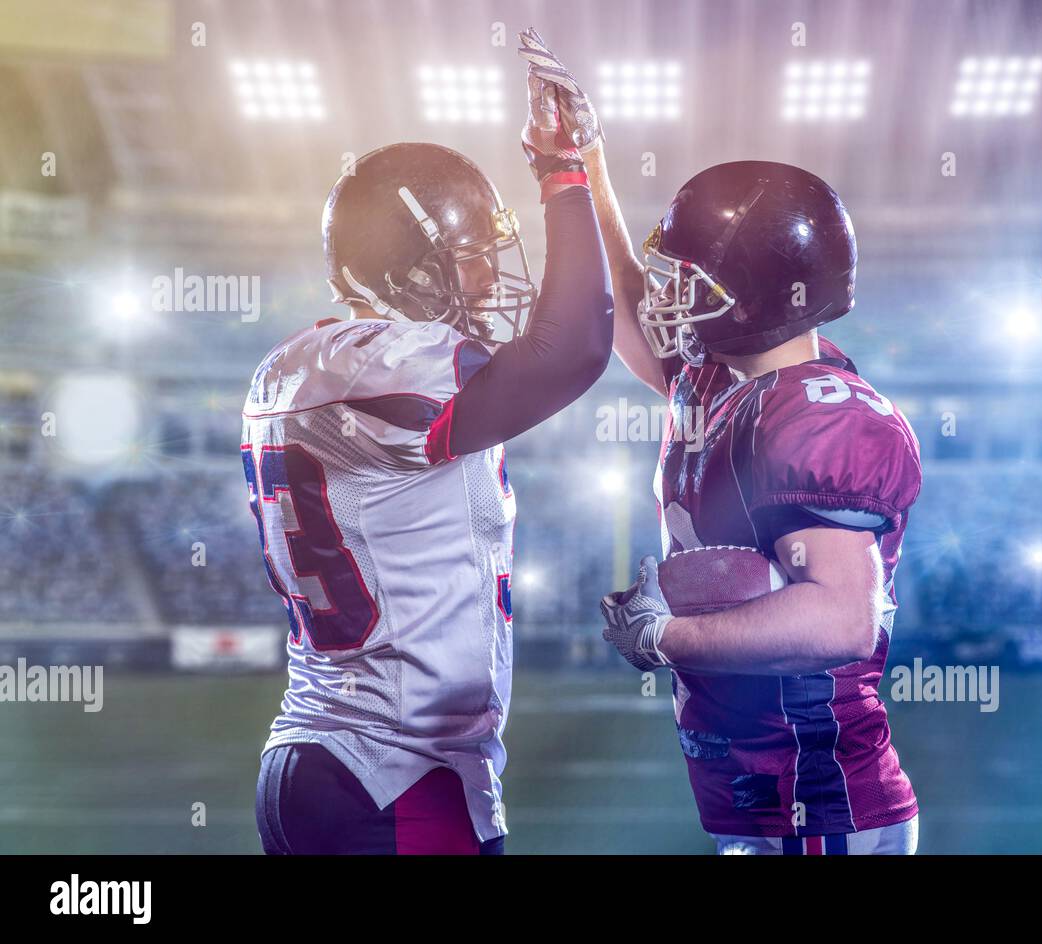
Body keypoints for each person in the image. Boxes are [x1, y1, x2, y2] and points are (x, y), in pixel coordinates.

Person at [520, 31, 922, 855]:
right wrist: (580, 163)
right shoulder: (711, 378)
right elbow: (625, 297)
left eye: (693, 284)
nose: (670, 296)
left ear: (759, 297)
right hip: (760, 799)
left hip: (821, 805)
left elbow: (841, 619)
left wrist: (666, 637)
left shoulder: (825, 418)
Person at [242, 64, 613, 854]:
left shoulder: (295, 366)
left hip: (321, 757)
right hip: (395, 776)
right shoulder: (388, 365)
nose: (487, 275)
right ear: (403, 262)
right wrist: (563, 170)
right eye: (471, 254)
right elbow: (575, 348)